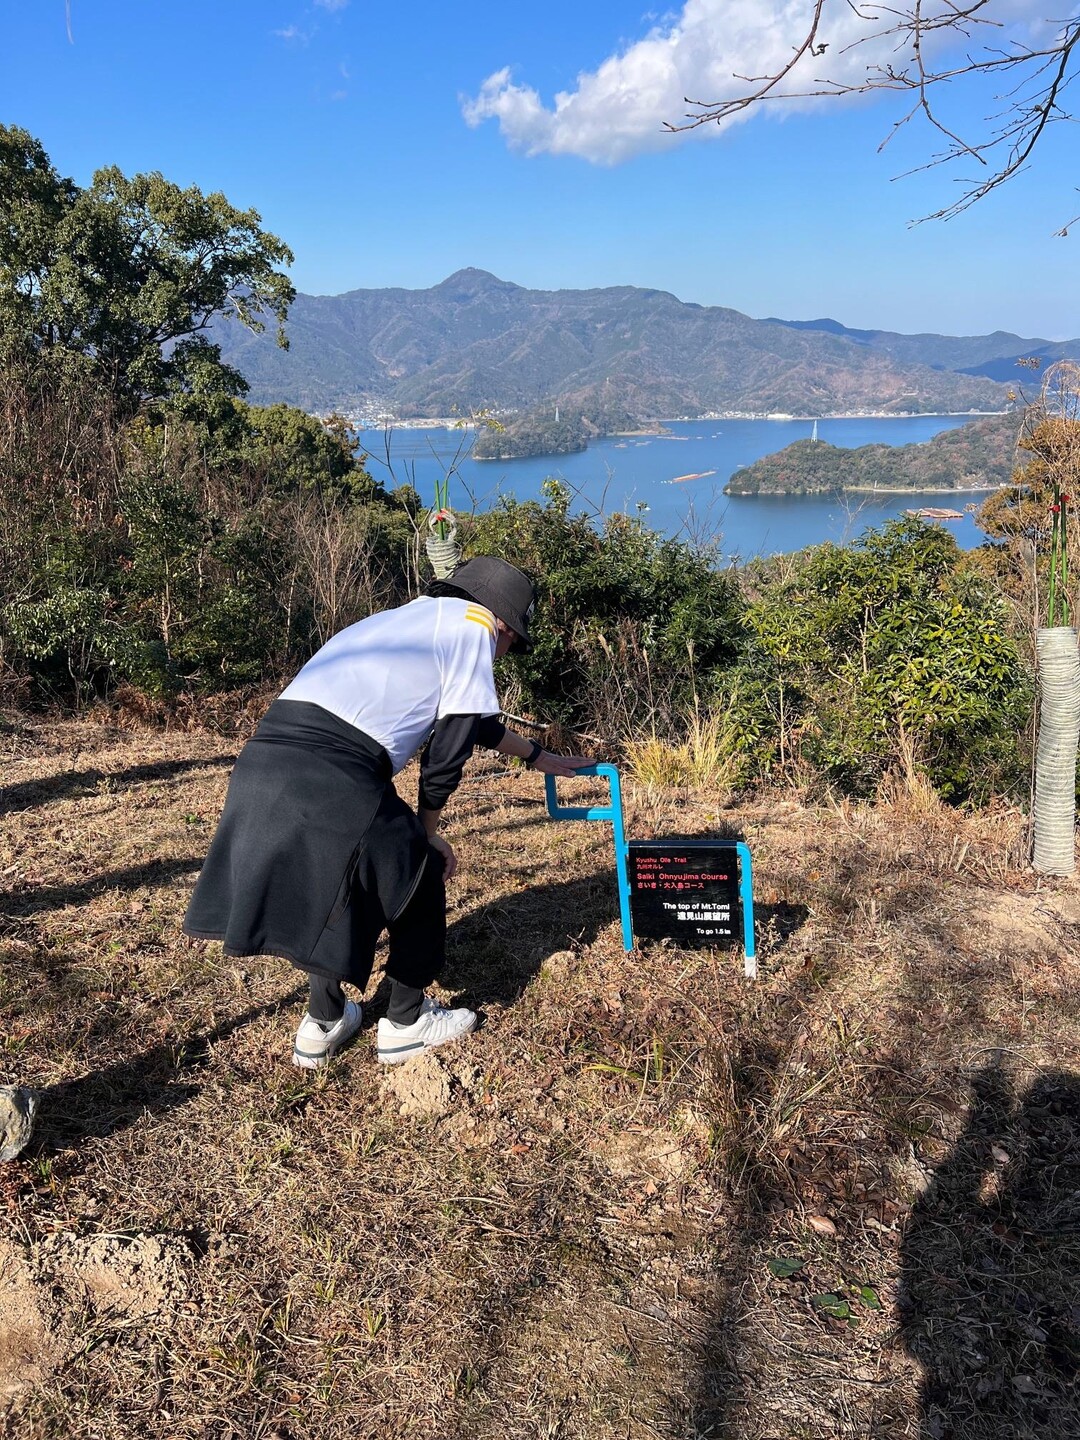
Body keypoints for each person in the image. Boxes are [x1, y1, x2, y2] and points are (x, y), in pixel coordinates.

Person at [183, 556, 592, 1068]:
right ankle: (406, 1021)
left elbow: (478, 720)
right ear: (503, 622)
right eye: (512, 642)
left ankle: (324, 1021)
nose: (503, 653)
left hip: (266, 759)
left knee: (334, 878)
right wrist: (427, 832)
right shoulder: (474, 627)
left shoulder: (403, 620)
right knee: (417, 872)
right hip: (334, 767)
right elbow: (451, 747)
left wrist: (540, 757)